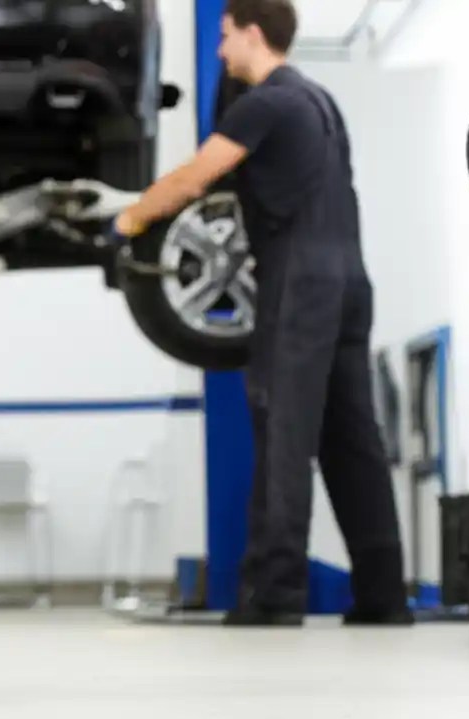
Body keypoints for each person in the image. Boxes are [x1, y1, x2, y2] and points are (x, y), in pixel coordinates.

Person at [113, 0, 410, 626]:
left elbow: (197, 179)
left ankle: (274, 598)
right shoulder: (320, 102)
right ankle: (384, 598)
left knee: (284, 436)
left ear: (253, 33)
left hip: (299, 284)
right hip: (351, 282)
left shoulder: (265, 103)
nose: (220, 50)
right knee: (354, 441)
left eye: (225, 37)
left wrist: (131, 217)